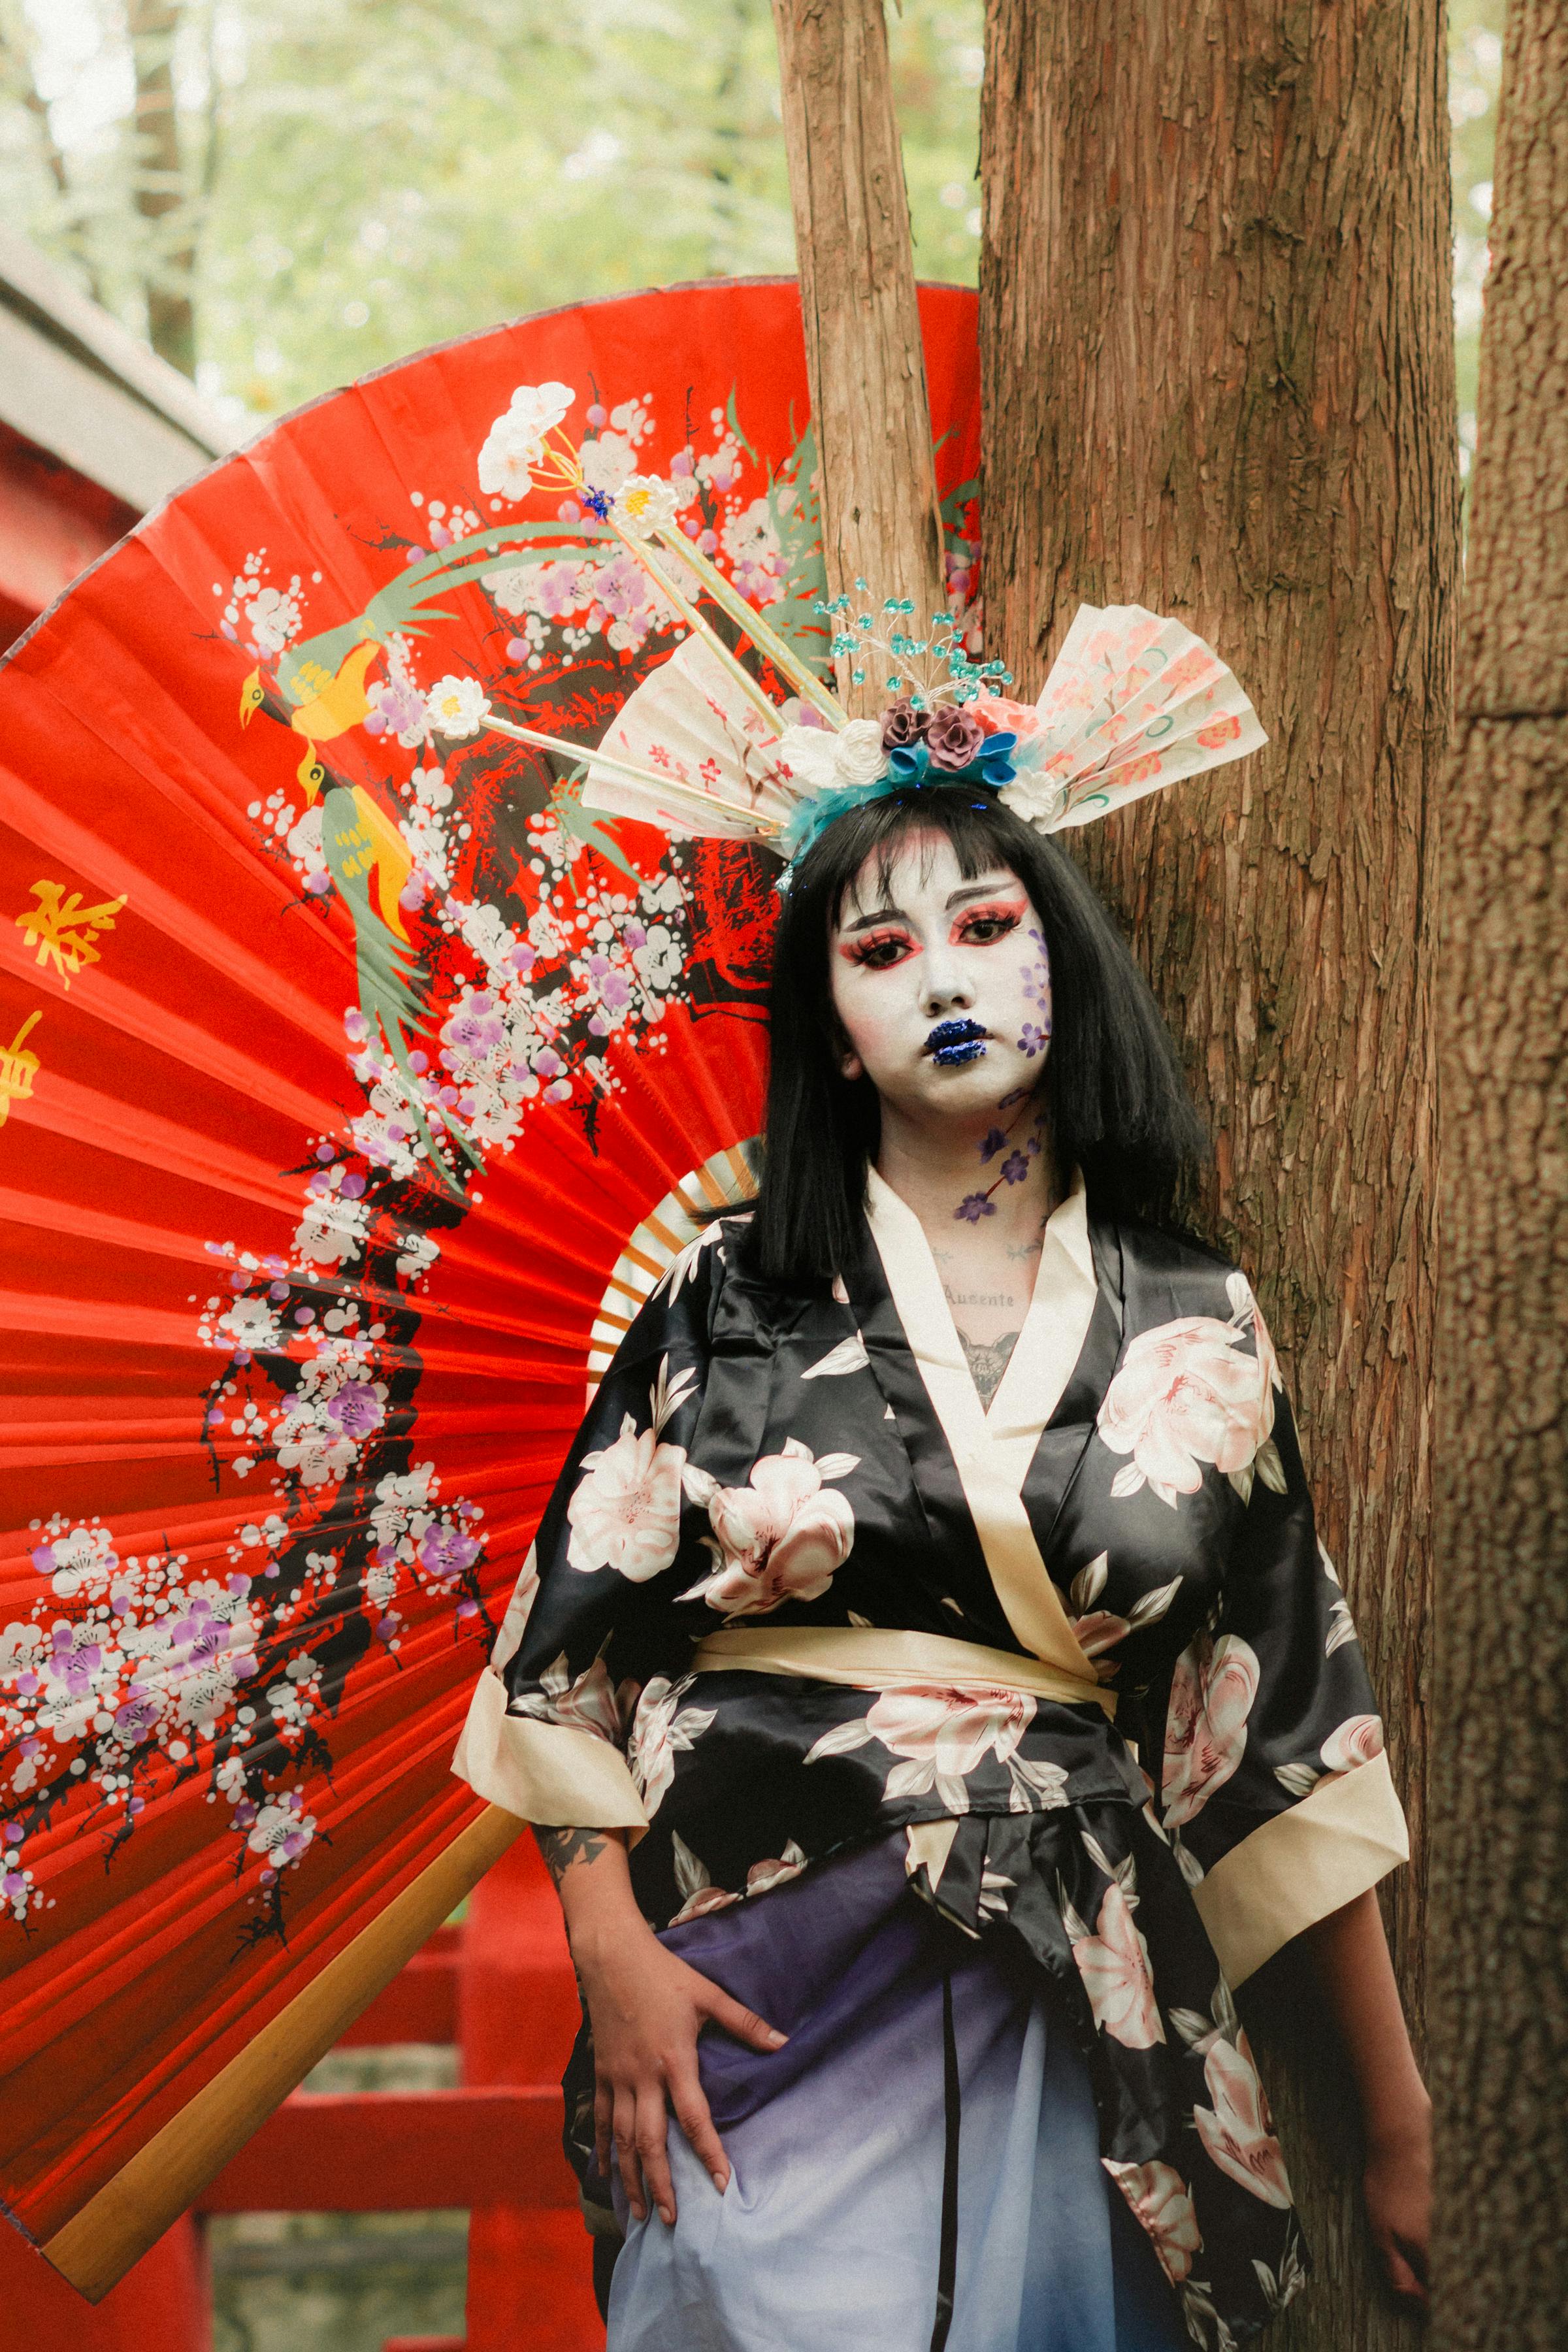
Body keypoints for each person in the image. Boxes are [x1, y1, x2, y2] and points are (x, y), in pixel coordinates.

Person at [452, 619, 1428, 2351]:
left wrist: (1401, 2115)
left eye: (987, 929)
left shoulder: (1193, 1315)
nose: (942, 981)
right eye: (883, 951)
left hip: (1085, 1975)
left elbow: (1281, 1725)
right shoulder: (726, 1293)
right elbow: (561, 1664)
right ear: (834, 1031)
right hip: (760, 1969)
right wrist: (610, 1958)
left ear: (1064, 965)